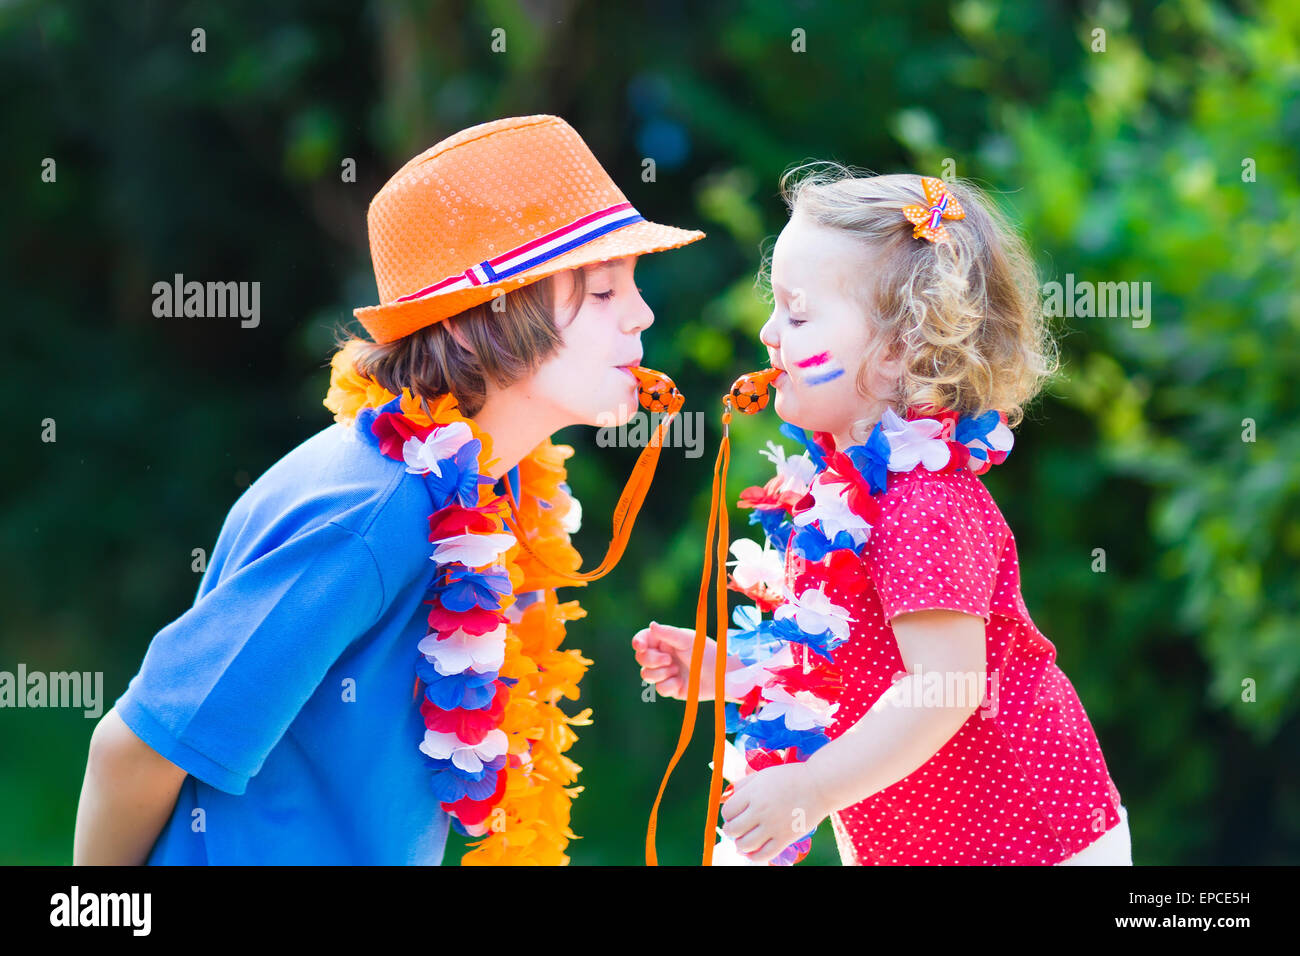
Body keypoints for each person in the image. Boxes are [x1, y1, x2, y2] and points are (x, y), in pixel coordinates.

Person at [74, 114, 703, 865]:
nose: (643, 313)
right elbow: (134, 750)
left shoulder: (486, 490)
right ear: (476, 327)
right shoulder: (369, 516)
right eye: (602, 291)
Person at [633, 165, 1132, 866]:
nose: (771, 334)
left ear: (899, 350)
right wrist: (729, 671)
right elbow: (844, 662)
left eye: (799, 314)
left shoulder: (923, 505)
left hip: (1027, 842)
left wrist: (808, 788)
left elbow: (944, 689)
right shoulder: (838, 498)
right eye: (774, 308)